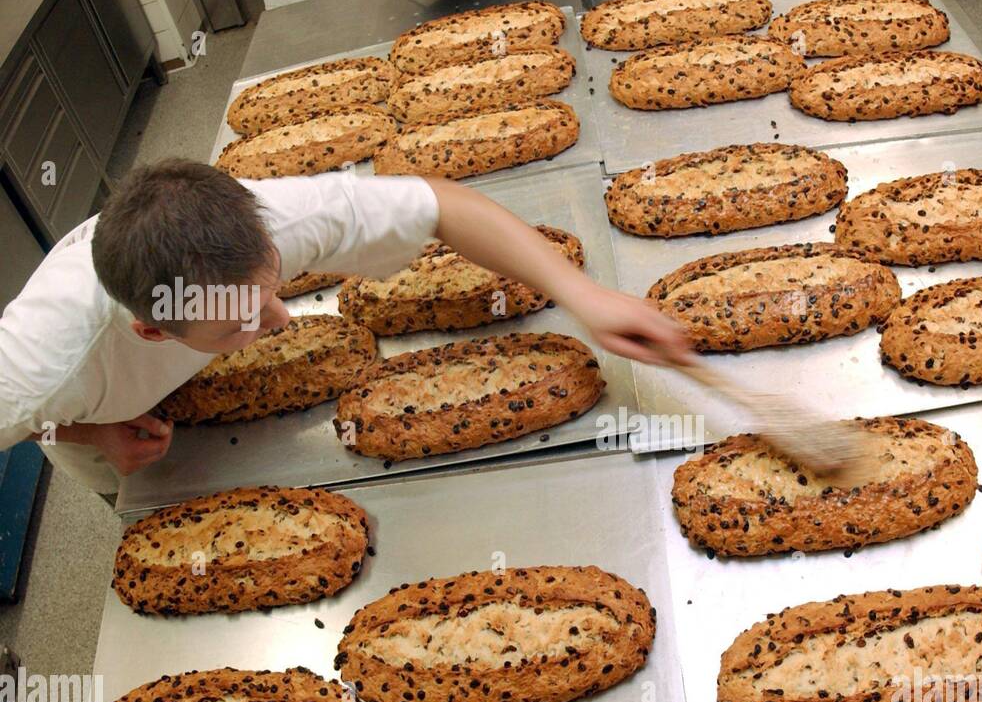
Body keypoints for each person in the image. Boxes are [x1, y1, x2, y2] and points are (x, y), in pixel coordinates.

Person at [0, 160, 692, 494]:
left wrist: (583, 295)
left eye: (274, 289)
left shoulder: (276, 218)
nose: (278, 320)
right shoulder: (39, 364)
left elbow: (442, 206)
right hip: (87, 413)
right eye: (241, 322)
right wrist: (89, 432)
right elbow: (29, 416)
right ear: (154, 333)